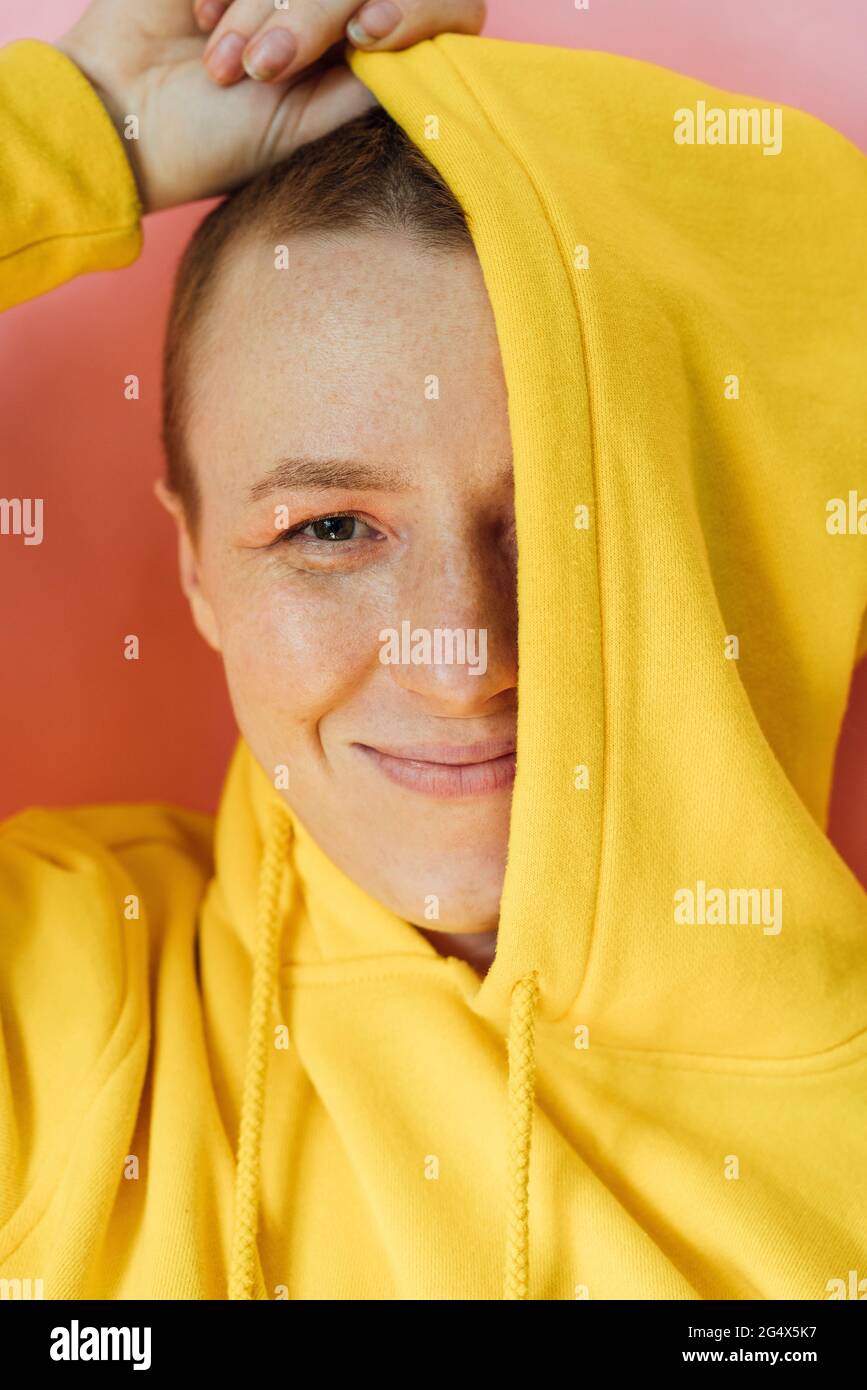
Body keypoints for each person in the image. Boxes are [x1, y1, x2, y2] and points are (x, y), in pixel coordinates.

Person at [1, 0, 866, 1303]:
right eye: (330, 527)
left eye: (573, 517)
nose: (464, 657)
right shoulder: (64, 1009)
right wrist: (82, 128)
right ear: (194, 566)